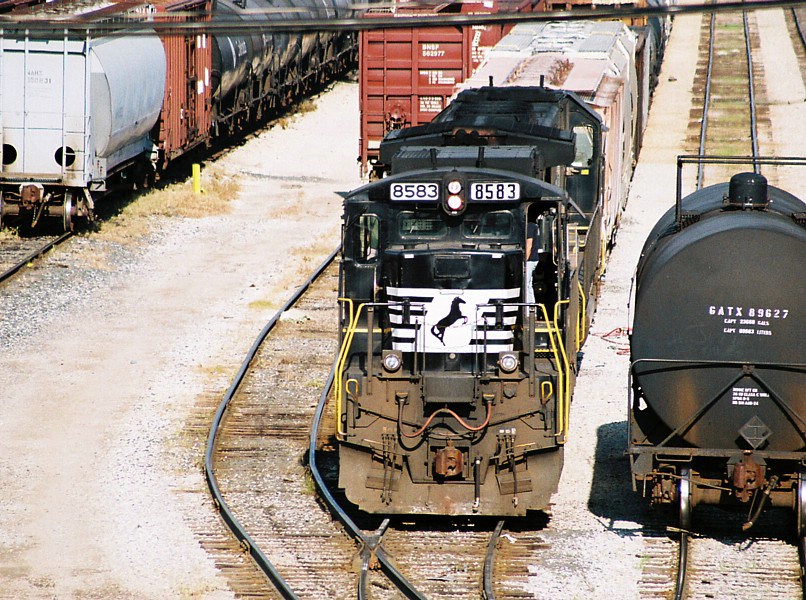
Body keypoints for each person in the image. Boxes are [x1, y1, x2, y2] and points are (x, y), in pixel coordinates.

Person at [525, 218, 540, 304]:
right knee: (529, 285)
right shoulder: (535, 226)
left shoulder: (530, 226)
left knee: (526, 285)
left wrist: (525, 261)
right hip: (534, 259)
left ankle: (527, 309)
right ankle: (531, 308)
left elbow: (529, 244)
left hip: (530, 260)